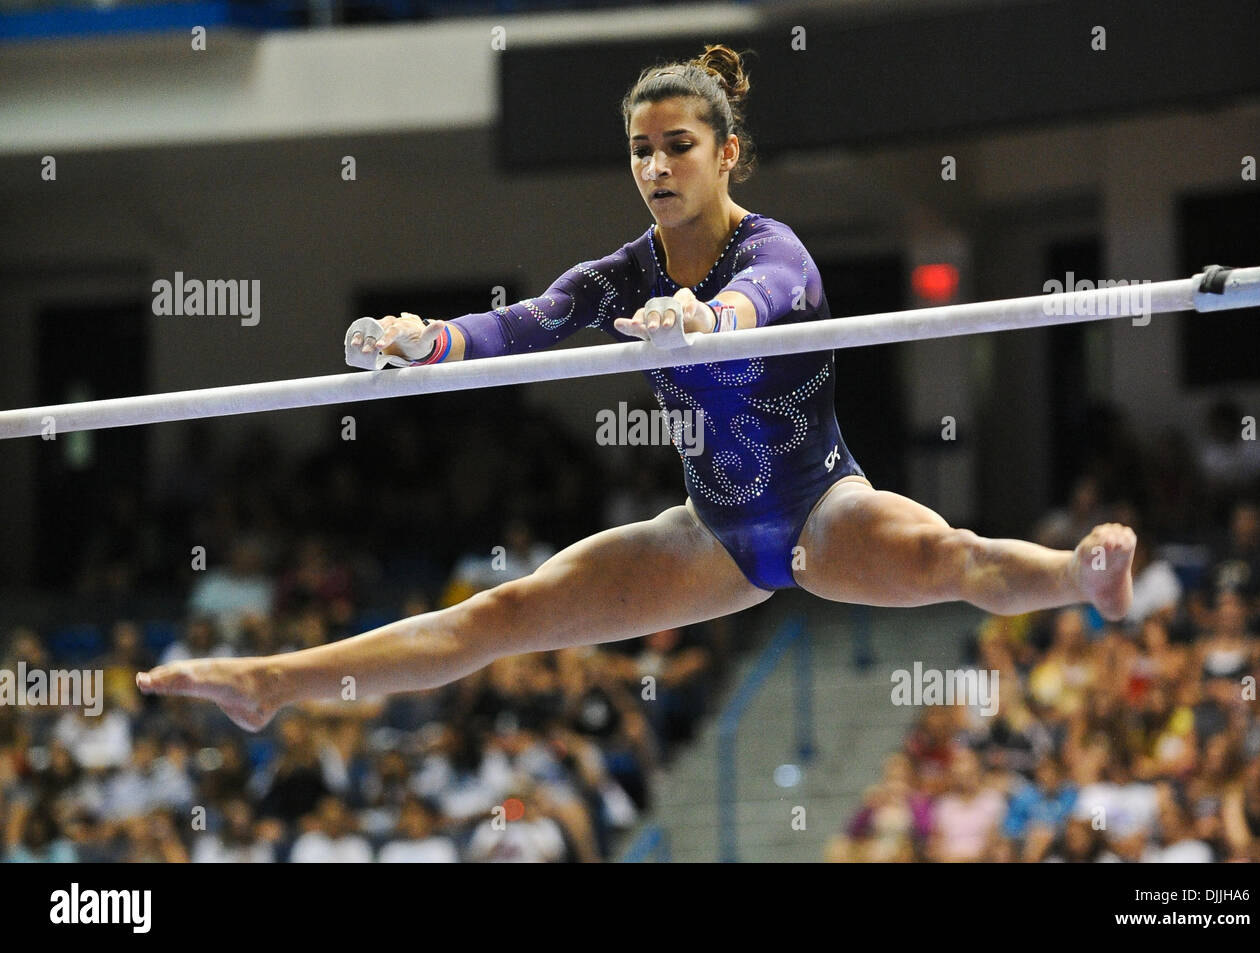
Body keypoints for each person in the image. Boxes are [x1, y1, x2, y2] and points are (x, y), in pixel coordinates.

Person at [136, 44, 1137, 733]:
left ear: (725, 153)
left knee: (948, 556)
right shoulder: (622, 274)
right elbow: (521, 325)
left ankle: (1078, 576)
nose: (655, 167)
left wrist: (707, 320)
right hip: (706, 536)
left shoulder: (770, 250)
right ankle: (271, 684)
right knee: (502, 616)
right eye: (639, 150)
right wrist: (425, 338)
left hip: (819, 511)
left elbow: (764, 299)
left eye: (678, 147)